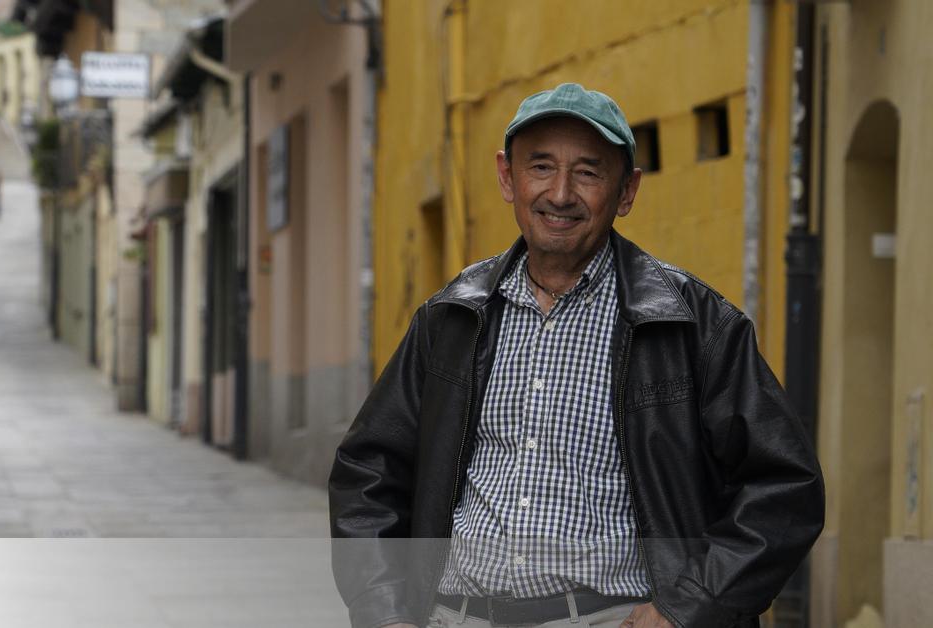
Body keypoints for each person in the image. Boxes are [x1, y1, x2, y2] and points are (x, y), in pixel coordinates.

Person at [329, 83, 824, 628]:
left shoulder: (695, 326)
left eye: (588, 173)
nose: (560, 193)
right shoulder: (452, 318)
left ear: (627, 191)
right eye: (540, 167)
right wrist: (383, 611)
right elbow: (367, 474)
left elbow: (785, 487)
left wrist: (688, 605)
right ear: (506, 177)